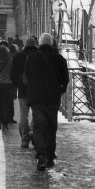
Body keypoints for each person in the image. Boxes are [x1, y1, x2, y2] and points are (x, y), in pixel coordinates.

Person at [23, 32, 69, 170]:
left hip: (37, 99)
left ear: (40, 43)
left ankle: (41, 154)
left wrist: (32, 89)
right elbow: (65, 80)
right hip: (52, 99)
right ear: (51, 43)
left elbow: (26, 77)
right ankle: (49, 155)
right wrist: (58, 91)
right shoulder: (60, 59)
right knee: (51, 127)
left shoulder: (31, 58)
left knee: (38, 127)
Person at [11, 35, 38, 148]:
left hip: (23, 90)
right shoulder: (38, 55)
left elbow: (12, 74)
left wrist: (18, 85)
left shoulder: (18, 55)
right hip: (36, 90)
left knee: (23, 115)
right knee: (37, 114)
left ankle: (24, 139)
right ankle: (33, 133)